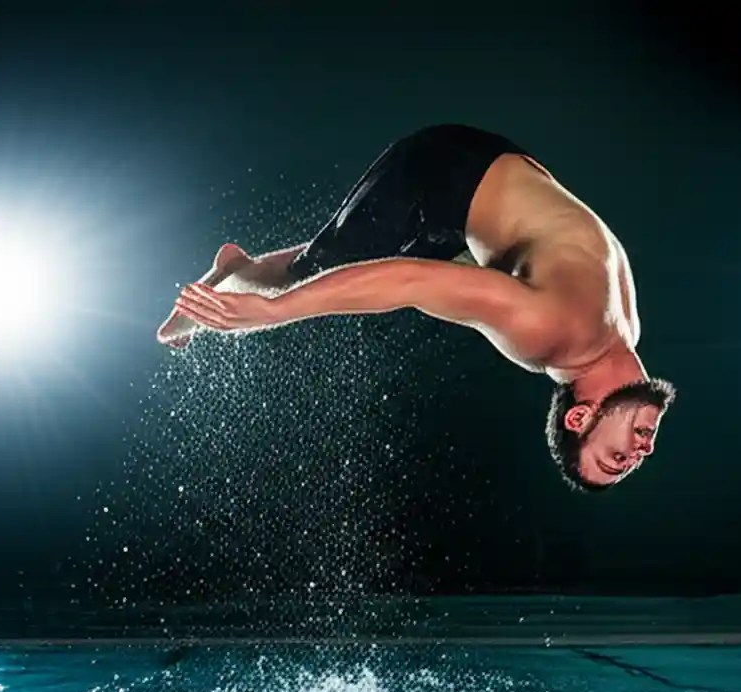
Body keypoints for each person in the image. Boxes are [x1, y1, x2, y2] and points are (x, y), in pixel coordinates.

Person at [158, 124, 675, 491]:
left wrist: (286, 305)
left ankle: (237, 268)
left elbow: (423, 284)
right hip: (445, 174)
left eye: (617, 459)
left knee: (328, 266)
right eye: (625, 460)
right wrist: (276, 312)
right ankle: (239, 274)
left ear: (580, 417)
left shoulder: (571, 334)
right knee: (310, 279)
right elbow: (411, 281)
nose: (641, 454)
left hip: (459, 192)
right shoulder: (575, 331)